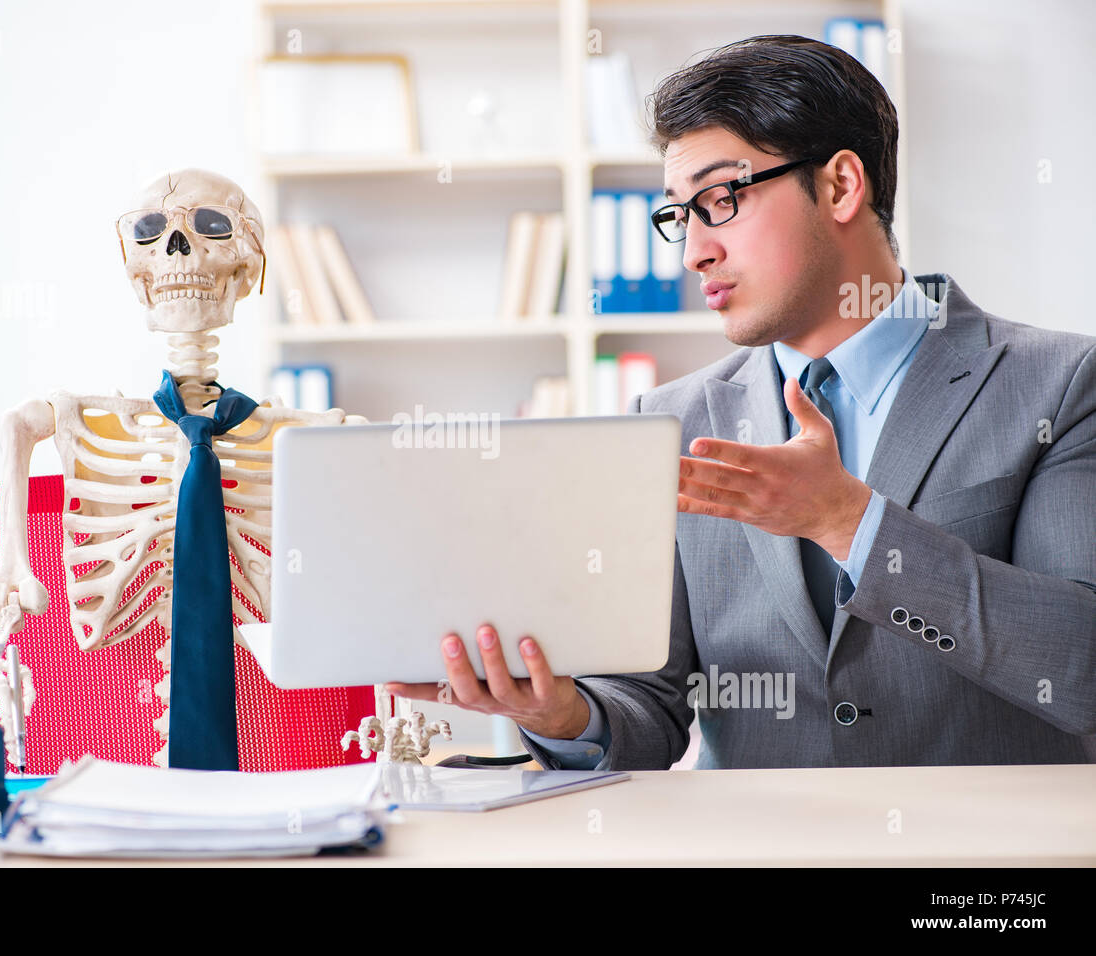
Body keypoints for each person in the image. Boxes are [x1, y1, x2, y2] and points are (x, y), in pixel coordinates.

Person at [386, 34, 1096, 769]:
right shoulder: (671, 424)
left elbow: (1081, 670)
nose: (693, 250)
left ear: (841, 186)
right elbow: (650, 711)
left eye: (721, 199)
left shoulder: (1060, 383)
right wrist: (564, 713)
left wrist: (850, 522)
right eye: (678, 216)